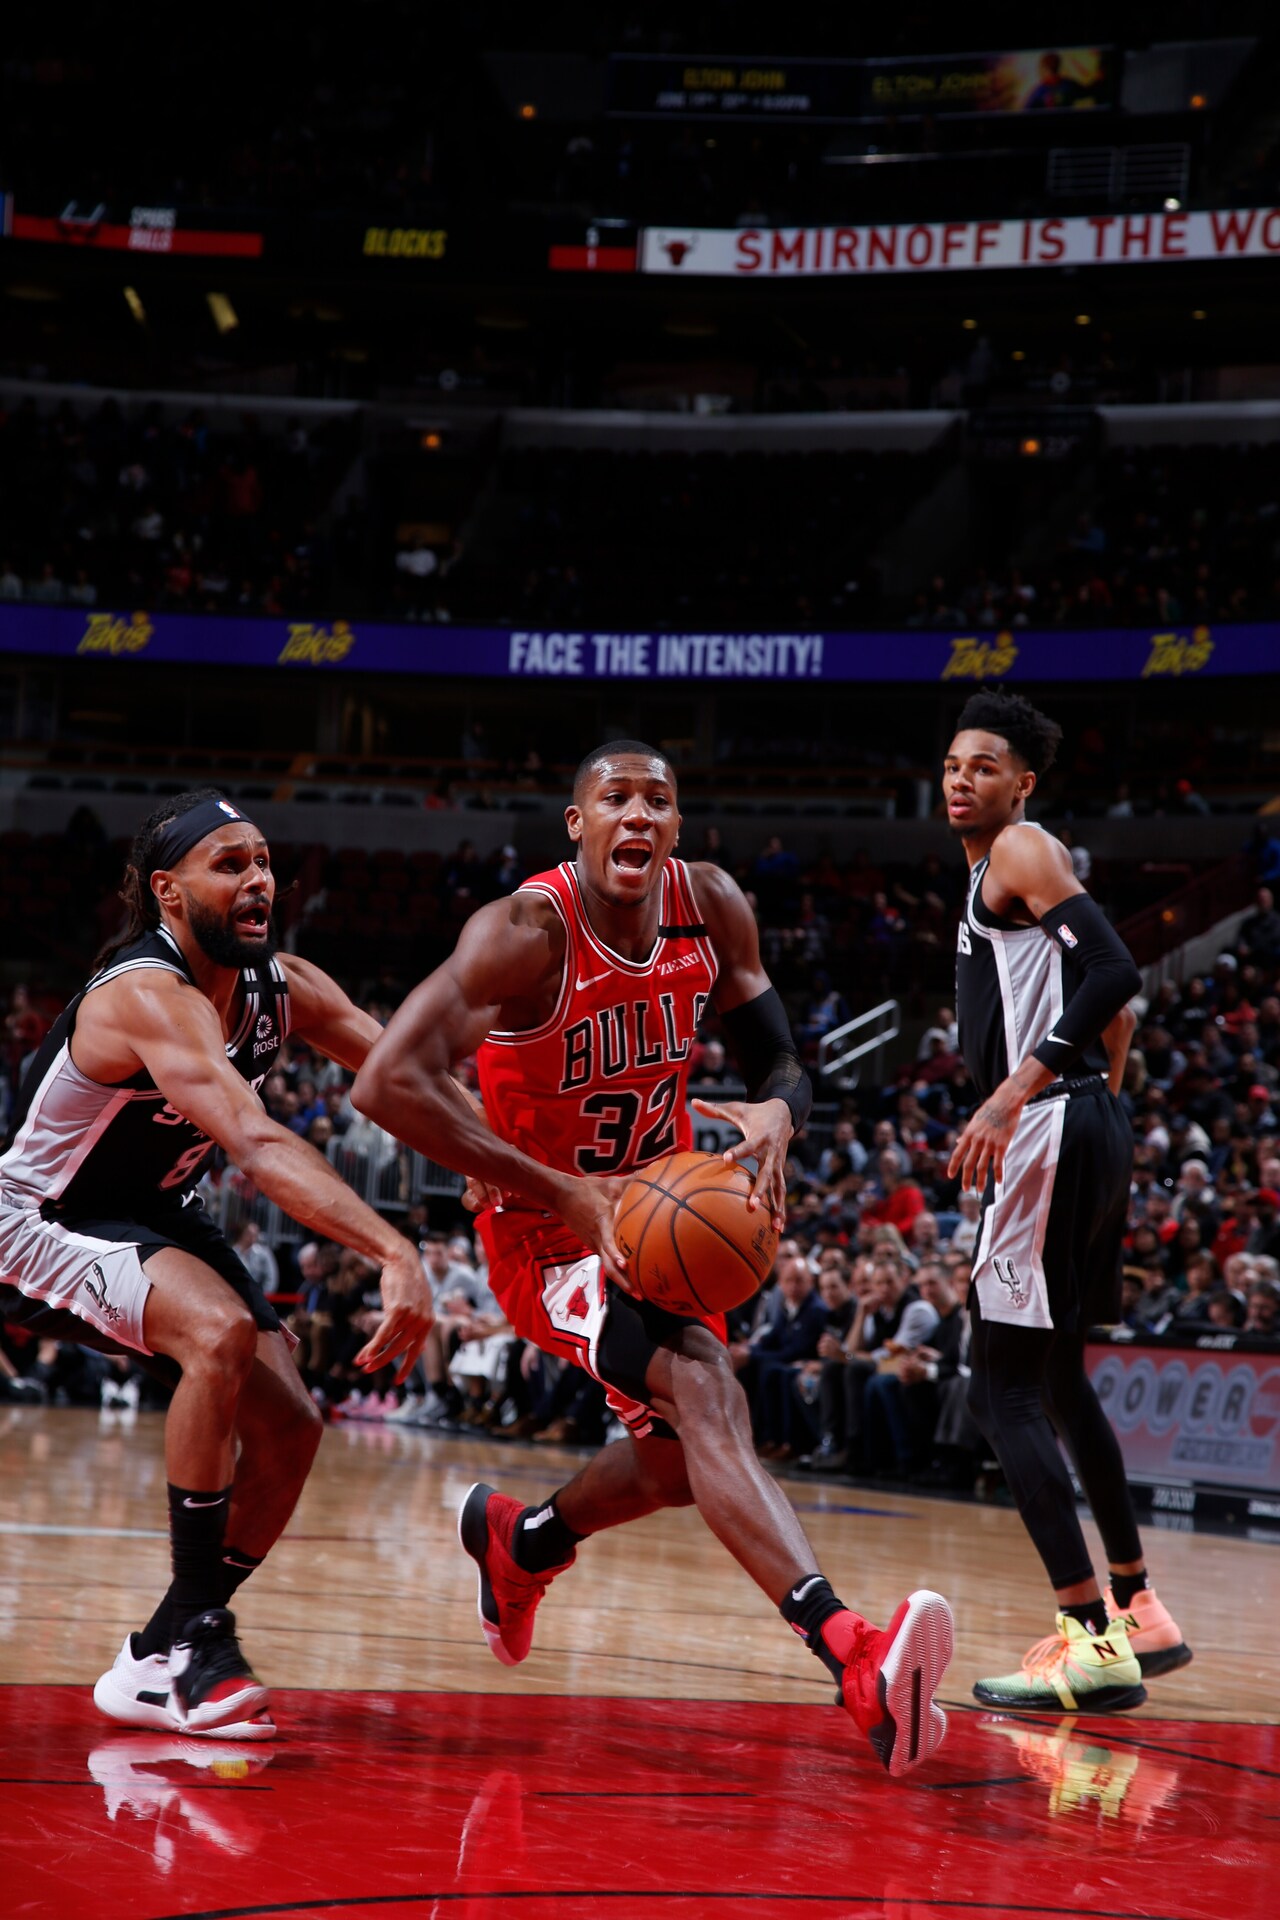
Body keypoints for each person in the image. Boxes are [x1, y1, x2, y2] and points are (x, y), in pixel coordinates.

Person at [353, 740, 953, 1777]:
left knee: (680, 1464)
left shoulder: (709, 904)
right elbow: (386, 1081)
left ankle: (521, 1542)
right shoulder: (522, 934)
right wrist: (540, 1183)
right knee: (707, 1394)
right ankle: (851, 1654)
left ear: (677, 829)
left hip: (657, 1216)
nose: (638, 815)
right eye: (614, 799)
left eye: (658, 801)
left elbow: (778, 1058)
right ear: (575, 825)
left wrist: (777, 1108)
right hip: (549, 1238)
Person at [0, 790, 433, 1740]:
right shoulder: (143, 993)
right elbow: (252, 1137)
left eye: (266, 861)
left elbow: (409, 1081)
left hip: (155, 1213)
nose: (258, 879)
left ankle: (153, 1655)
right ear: (168, 890)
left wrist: (514, 1171)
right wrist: (392, 1246)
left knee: (291, 1434)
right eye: (229, 863)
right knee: (218, 1326)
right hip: (35, 1218)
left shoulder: (287, 988)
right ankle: (201, 1638)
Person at [944, 690, 1191, 1712]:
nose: (961, 777)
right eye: (952, 762)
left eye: (983, 765)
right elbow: (1117, 1015)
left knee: (995, 1389)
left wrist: (1017, 1093)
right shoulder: (1000, 870)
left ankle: (1087, 1638)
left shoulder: (1020, 849)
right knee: (1055, 1383)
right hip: (1082, 1124)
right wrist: (1099, 1114)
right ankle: (1137, 1609)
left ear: (1021, 783)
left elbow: (1115, 967)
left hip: (1048, 1127)